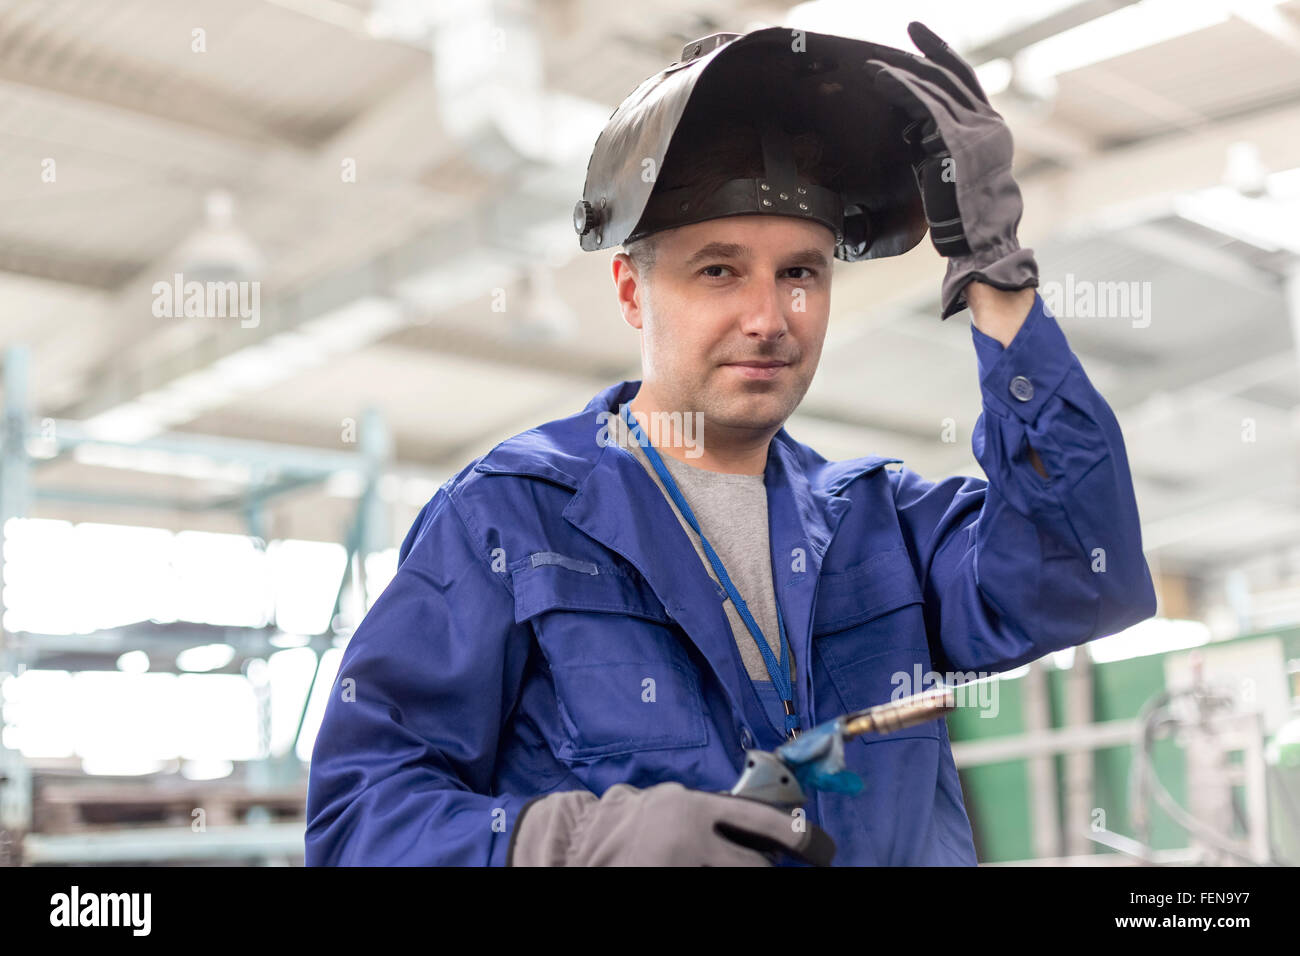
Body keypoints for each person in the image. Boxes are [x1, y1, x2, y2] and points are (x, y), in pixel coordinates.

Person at [305, 22, 1156, 866]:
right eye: (719, 270)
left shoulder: (881, 521)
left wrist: (996, 278)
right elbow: (356, 824)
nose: (768, 317)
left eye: (800, 273)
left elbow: (1079, 581)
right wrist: (575, 842)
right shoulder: (509, 520)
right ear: (631, 292)